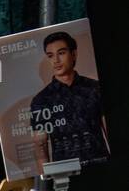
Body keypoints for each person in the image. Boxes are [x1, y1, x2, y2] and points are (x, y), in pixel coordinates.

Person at [29, 31, 109, 170]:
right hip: (64, 173)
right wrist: (48, 181)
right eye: (50, 55)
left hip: (101, 165)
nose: (56, 60)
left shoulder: (95, 88)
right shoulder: (41, 100)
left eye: (61, 53)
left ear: (73, 54)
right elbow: (40, 147)